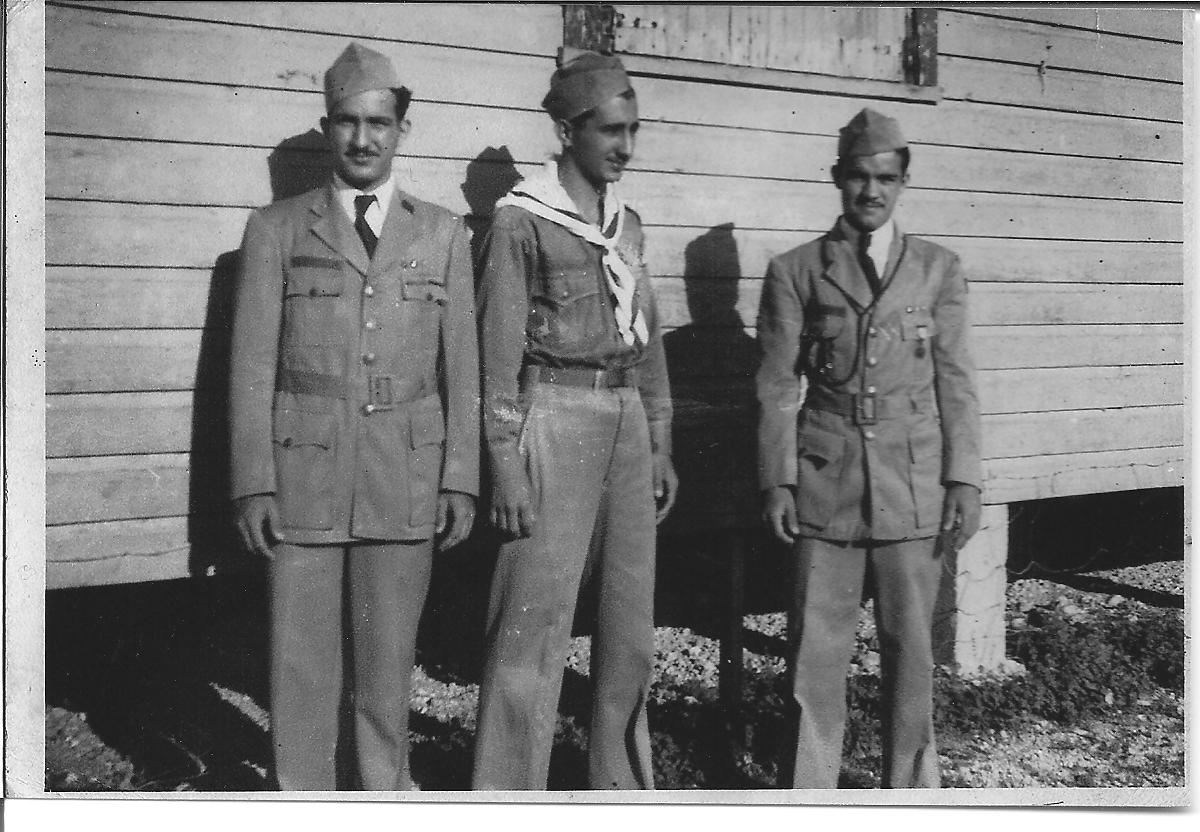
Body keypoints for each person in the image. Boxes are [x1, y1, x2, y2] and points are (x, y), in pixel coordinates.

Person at [228, 42, 479, 791]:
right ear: (326, 126)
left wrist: (460, 478)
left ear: (404, 127)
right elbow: (248, 368)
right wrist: (252, 483)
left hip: (404, 477)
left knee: (385, 672)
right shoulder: (276, 228)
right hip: (302, 476)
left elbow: (462, 368)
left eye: (378, 122)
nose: (362, 139)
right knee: (300, 670)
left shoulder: (442, 233)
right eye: (346, 122)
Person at [756, 108, 982, 789]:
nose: (871, 192)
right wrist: (778, 481)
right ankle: (810, 801)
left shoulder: (938, 269)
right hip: (827, 488)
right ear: (837, 180)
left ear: (904, 181)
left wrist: (964, 480)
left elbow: (957, 381)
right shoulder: (796, 271)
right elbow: (773, 386)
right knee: (814, 662)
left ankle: (911, 800)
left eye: (886, 178)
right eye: (858, 177)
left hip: (913, 488)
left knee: (912, 657)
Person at [471, 50, 677, 790]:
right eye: (610, 132)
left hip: (624, 420)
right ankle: (506, 795)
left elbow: (646, 344)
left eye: (633, 130)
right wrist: (503, 461)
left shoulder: (630, 225)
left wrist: (659, 442)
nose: (625, 147)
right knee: (530, 628)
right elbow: (495, 361)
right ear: (565, 131)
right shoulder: (521, 223)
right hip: (553, 415)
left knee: (629, 626)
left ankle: (620, 789)